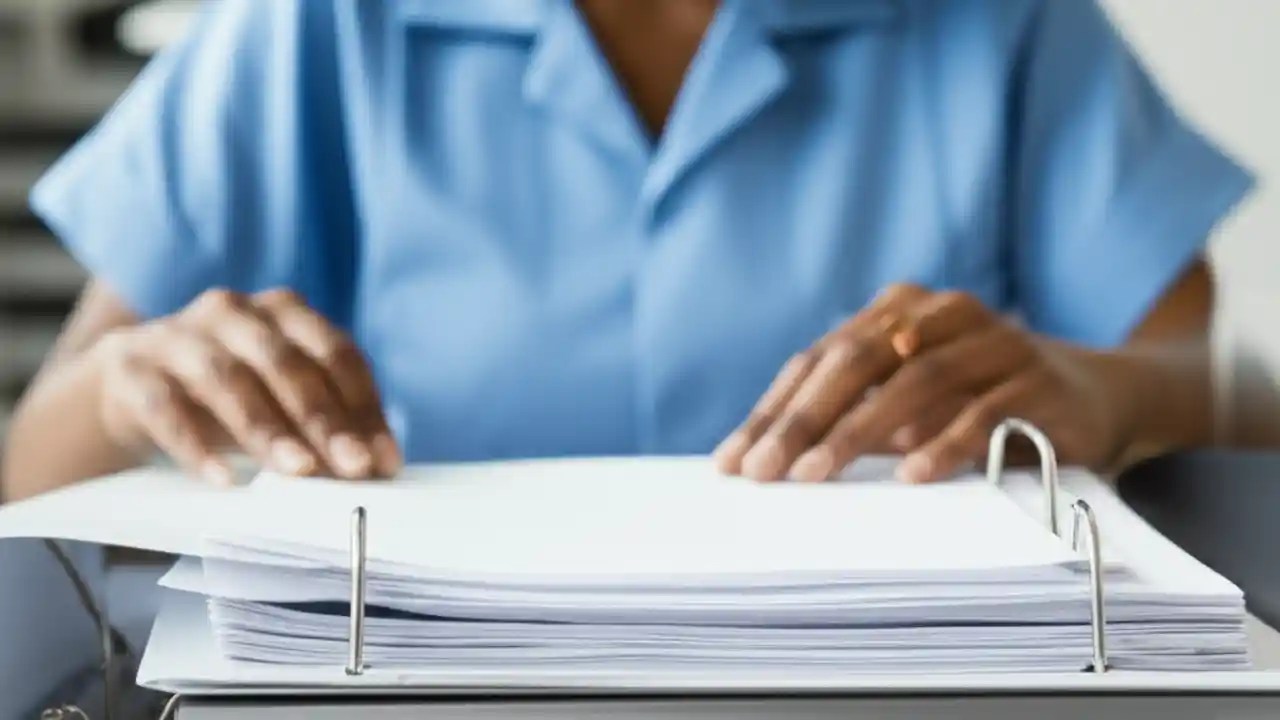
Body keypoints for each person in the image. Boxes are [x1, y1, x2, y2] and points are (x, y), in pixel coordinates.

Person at [1, 0, 1253, 501]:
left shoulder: (1001, 21)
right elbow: (31, 474)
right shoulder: (319, 23)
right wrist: (124, 388)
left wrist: (1103, 393)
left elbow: (1229, 402)